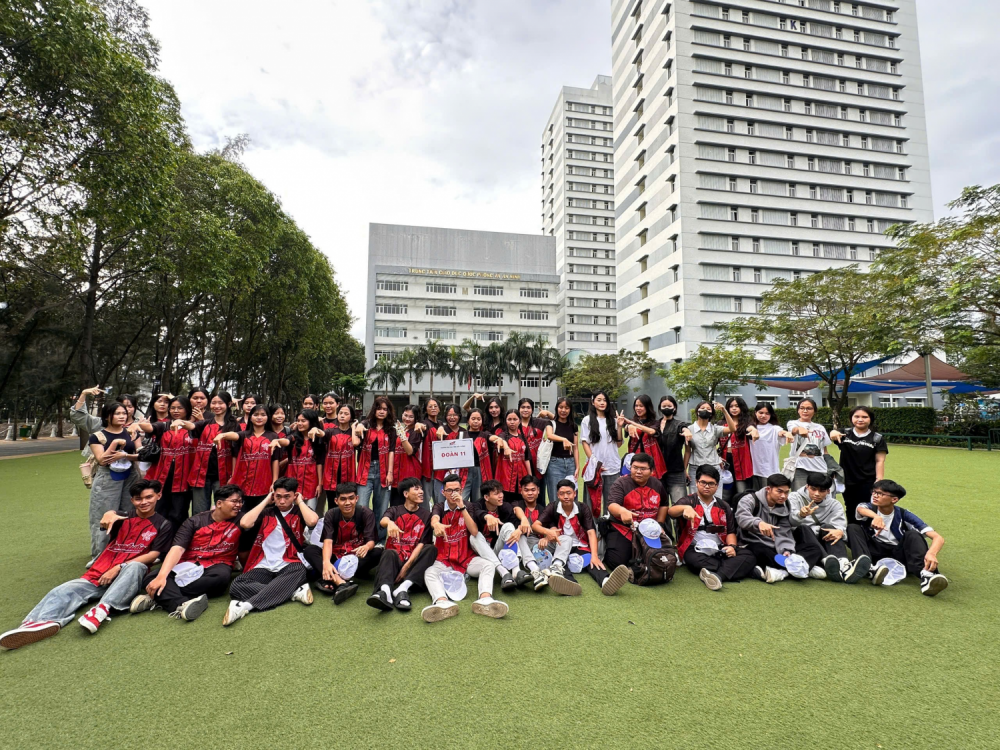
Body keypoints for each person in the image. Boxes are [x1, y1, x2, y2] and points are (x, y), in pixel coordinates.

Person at [0, 480, 173, 649]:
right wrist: (110, 513)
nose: (144, 502)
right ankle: (38, 623)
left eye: (148, 497)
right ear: (132, 500)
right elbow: (109, 517)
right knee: (62, 590)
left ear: (158, 495)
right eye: (138, 499)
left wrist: (118, 567)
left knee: (136, 567)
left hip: (127, 576)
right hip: (99, 573)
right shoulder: (121, 518)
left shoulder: (163, 524)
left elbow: (154, 555)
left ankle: (100, 611)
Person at [131, 484, 245, 621]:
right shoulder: (195, 521)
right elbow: (177, 548)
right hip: (189, 561)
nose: (238, 505)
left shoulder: (241, 519)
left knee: (221, 580)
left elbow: (254, 518)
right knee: (151, 578)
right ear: (219, 503)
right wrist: (161, 576)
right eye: (234, 501)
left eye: (240, 502)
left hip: (219, 563)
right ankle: (181, 604)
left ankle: (156, 597)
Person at [222, 478, 319, 625]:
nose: (282, 501)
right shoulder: (267, 512)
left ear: (294, 495)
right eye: (278, 496)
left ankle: (245, 606)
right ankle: (292, 591)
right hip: (264, 563)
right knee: (237, 585)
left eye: (287, 496)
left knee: (299, 571)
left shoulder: (299, 511)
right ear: (273, 495)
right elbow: (245, 523)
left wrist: (300, 502)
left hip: (289, 562)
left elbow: (312, 521)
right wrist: (266, 500)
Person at [421, 474, 508, 622]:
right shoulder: (439, 506)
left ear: (461, 491)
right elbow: (434, 519)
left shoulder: (468, 506)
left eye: (457, 490)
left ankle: (485, 599)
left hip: (466, 558)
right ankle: (442, 602)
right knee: (429, 572)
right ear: (443, 492)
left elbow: (474, 531)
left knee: (488, 565)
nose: (453, 494)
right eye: (449, 490)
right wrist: (436, 524)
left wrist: (462, 507)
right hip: (445, 560)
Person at [846, 480, 948, 596]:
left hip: (897, 553)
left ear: (894, 499)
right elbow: (860, 509)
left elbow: (937, 537)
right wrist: (876, 517)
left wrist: (932, 553)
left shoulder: (904, 514)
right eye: (874, 492)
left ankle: (927, 576)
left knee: (913, 535)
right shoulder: (869, 508)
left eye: (881, 494)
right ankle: (867, 567)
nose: (874, 495)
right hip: (873, 551)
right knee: (853, 528)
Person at [667, 465, 757, 591]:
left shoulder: (723, 506)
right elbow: (671, 511)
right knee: (695, 561)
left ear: (717, 485)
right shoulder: (689, 501)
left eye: (711, 483)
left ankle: (716, 575)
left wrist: (732, 547)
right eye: (703, 482)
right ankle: (739, 570)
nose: (707, 486)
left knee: (749, 555)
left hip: (719, 548)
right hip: (695, 549)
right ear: (697, 483)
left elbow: (731, 532)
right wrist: (685, 508)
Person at [534, 479, 627, 596]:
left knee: (592, 562)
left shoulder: (582, 508)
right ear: (557, 495)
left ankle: (605, 581)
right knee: (560, 564)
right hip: (561, 546)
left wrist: (595, 556)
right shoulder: (552, 507)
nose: (565, 496)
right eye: (562, 494)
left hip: (579, 545)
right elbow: (535, 526)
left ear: (575, 493)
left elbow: (591, 532)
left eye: (569, 493)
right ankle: (569, 584)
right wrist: (547, 532)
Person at [366, 478, 438, 612]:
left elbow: (422, 544)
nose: (421, 492)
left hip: (413, 565)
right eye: (416, 489)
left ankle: (402, 589)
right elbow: (383, 521)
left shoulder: (427, 515)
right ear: (406, 494)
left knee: (431, 549)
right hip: (394, 562)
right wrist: (390, 523)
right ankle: (385, 592)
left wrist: (406, 567)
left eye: (421, 488)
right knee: (387, 552)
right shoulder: (394, 510)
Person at [604, 453, 672, 587]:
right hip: (624, 528)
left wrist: (659, 524)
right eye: (635, 467)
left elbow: (664, 503)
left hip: (649, 531)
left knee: (664, 557)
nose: (638, 472)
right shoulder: (621, 483)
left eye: (643, 468)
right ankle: (637, 566)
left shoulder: (656, 484)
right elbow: (612, 505)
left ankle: (639, 565)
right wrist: (622, 511)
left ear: (652, 471)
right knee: (617, 562)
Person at [787, 472, 867, 582]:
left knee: (830, 527)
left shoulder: (834, 504)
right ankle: (827, 561)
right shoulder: (794, 497)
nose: (817, 494)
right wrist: (800, 515)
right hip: (803, 539)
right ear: (807, 486)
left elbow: (840, 526)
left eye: (822, 491)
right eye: (813, 489)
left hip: (823, 538)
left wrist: (840, 531)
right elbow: (790, 522)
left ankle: (843, 564)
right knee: (803, 528)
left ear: (828, 491)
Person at [311, 482, 381, 604]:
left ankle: (327, 579)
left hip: (357, 555)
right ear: (336, 501)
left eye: (351, 498)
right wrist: (326, 562)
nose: (347, 503)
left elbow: (371, 541)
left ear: (356, 499)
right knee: (310, 551)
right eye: (343, 499)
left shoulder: (366, 513)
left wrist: (366, 546)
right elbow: (327, 542)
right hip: (336, 556)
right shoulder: (331, 514)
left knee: (378, 552)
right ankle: (341, 583)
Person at [86, 402, 140, 559]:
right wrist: (115, 444)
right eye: (117, 413)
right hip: (107, 478)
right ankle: (100, 555)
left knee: (128, 513)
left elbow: (140, 454)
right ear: (107, 416)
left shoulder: (131, 433)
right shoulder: (98, 436)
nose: (122, 416)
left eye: (124, 413)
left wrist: (125, 455)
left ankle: (123, 551)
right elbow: (102, 460)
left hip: (130, 476)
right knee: (103, 515)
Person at [214, 404, 288, 514]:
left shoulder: (273, 437)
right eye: (256, 414)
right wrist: (222, 435)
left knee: (262, 516)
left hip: (264, 483)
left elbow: (275, 461)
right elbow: (234, 435)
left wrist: (274, 482)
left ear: (268, 417)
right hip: (243, 483)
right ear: (251, 417)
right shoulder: (244, 435)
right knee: (241, 516)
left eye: (263, 415)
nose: (259, 417)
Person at [138, 395, 195, 530]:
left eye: (180, 408)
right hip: (163, 475)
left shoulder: (194, 428)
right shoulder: (164, 426)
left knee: (178, 512)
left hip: (184, 477)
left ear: (187, 409)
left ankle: (177, 544)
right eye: (173, 408)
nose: (176, 411)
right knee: (160, 509)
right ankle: (160, 543)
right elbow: (150, 428)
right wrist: (142, 425)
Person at [470, 478, 537, 591]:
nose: (501, 496)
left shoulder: (505, 507)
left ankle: (516, 571)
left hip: (497, 550)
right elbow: (477, 512)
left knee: (509, 526)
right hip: (481, 553)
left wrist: (519, 529)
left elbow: (516, 524)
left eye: (501, 492)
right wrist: (487, 516)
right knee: (474, 536)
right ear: (486, 497)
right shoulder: (477, 505)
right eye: (496, 494)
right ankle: (504, 572)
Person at [735, 474, 804, 583]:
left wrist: (786, 549)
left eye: (786, 492)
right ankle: (794, 569)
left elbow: (783, 531)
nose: (783, 496)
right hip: (750, 542)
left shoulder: (785, 505)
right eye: (779, 491)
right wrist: (759, 523)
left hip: (773, 543)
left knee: (802, 540)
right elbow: (741, 518)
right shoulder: (750, 499)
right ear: (768, 489)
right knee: (763, 552)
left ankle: (787, 569)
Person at [830, 406, 889, 520]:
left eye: (864, 417)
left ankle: (867, 534)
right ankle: (853, 533)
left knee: (867, 508)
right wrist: (833, 432)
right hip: (847, 480)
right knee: (850, 507)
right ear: (851, 418)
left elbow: (880, 460)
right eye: (856, 416)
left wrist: (879, 480)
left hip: (868, 480)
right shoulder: (844, 434)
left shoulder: (877, 438)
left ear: (870, 419)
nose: (860, 419)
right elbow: (833, 434)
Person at [188, 392, 238, 514]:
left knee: (223, 510)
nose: (217, 406)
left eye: (220, 403)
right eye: (214, 403)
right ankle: (199, 532)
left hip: (223, 474)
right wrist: (181, 422)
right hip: (201, 474)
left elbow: (236, 453)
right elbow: (192, 426)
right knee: (199, 511)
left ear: (229, 404)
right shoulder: (205, 423)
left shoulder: (234, 425)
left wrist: (233, 474)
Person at [355, 397, 396, 536]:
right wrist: (358, 426)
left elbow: (391, 451)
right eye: (379, 408)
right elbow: (356, 438)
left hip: (383, 470)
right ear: (374, 409)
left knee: (382, 507)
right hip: (365, 470)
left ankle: (380, 539)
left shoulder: (391, 429)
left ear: (389, 412)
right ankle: (363, 536)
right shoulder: (366, 424)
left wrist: (390, 473)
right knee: (362, 506)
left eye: (385, 409)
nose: (381, 412)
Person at [579, 391, 622, 514]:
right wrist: (594, 462)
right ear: (593, 402)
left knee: (612, 503)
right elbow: (584, 442)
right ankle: (592, 531)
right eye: (599, 400)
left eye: (604, 400)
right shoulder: (587, 420)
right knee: (592, 504)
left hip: (612, 466)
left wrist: (619, 426)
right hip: (594, 468)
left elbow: (618, 444)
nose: (602, 402)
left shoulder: (613, 420)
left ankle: (608, 531)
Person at [685, 401, 738, 497]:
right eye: (703, 408)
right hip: (695, 467)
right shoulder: (689, 429)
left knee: (715, 497)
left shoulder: (715, 429)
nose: (705, 410)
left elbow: (732, 428)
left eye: (708, 409)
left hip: (714, 466)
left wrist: (724, 410)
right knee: (695, 496)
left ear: (711, 414)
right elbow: (688, 451)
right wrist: (684, 469)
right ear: (697, 411)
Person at [311, 404, 361, 500]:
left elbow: (355, 443)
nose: (342, 415)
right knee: (332, 504)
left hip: (348, 475)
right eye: (340, 413)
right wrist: (316, 429)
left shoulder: (354, 433)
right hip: (331, 475)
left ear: (351, 417)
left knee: (347, 503)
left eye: (346, 414)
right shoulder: (331, 431)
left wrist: (354, 427)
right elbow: (322, 434)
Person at [786, 398, 832, 491]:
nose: (805, 411)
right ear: (798, 410)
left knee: (819, 498)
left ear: (814, 411)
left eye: (809, 408)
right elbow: (794, 430)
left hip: (820, 468)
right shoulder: (793, 423)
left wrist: (832, 467)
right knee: (800, 498)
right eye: (802, 408)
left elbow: (824, 450)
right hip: (800, 469)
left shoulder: (820, 428)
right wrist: (799, 430)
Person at [718, 397, 759, 498]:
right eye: (731, 406)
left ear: (742, 408)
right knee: (725, 493)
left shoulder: (746, 423)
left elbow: (751, 428)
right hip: (725, 459)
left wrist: (754, 431)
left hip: (742, 461)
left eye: (737, 406)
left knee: (742, 491)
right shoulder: (720, 424)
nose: (734, 409)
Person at [619, 395, 667, 480]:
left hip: (651, 458)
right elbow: (625, 428)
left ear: (647, 407)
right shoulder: (632, 422)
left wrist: (632, 424)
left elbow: (652, 431)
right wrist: (628, 426)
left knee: (652, 483)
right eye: (636, 406)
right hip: (635, 456)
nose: (638, 408)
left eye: (641, 406)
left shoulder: (655, 422)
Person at [286, 409, 325, 513]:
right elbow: (286, 441)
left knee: (310, 513)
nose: (300, 423)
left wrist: (320, 484)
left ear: (311, 421)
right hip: (293, 482)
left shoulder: (318, 441)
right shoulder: (293, 438)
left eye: (303, 421)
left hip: (311, 483)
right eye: (298, 420)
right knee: (293, 514)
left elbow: (319, 463)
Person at [517, 398, 555, 504]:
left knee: (539, 496)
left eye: (528, 407)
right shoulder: (514, 424)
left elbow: (558, 421)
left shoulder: (540, 423)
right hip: (521, 466)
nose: (525, 410)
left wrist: (547, 413)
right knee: (523, 495)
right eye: (523, 407)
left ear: (532, 409)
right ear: (519, 409)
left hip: (539, 466)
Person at [542, 397, 579, 504]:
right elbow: (549, 435)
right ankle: (556, 519)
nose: (563, 410)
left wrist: (577, 467)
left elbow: (575, 448)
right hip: (554, 464)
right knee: (555, 496)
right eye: (561, 407)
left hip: (570, 463)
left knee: (572, 495)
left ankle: (572, 520)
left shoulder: (573, 426)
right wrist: (564, 439)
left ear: (570, 410)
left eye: (566, 408)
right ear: (557, 408)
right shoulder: (551, 423)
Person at [656, 396, 691, 503]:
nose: (667, 408)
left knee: (679, 504)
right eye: (664, 406)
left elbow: (683, 429)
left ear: (674, 408)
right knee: (660, 505)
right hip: (657, 472)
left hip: (676, 472)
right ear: (660, 408)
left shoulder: (679, 424)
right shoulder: (655, 425)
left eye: (669, 406)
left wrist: (687, 431)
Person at [492, 409, 531, 504]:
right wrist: (506, 447)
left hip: (522, 476)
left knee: (521, 503)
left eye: (515, 419)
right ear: (505, 421)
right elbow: (499, 442)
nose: (512, 422)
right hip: (506, 477)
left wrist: (530, 477)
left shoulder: (523, 437)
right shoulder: (502, 436)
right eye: (509, 419)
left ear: (520, 421)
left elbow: (526, 458)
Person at [390, 405, 425, 507]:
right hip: (397, 474)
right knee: (395, 505)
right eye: (405, 415)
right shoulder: (402, 429)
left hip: (410, 473)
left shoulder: (416, 431)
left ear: (416, 418)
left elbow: (410, 451)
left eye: (411, 417)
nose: (407, 419)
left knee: (409, 504)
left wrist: (401, 435)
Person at [749, 403, 788, 490]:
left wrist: (786, 433)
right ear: (755, 413)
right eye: (761, 412)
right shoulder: (750, 428)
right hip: (752, 470)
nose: (764, 416)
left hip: (769, 470)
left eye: (767, 413)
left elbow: (781, 432)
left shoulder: (774, 428)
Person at [418, 398, 442, 504]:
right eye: (430, 406)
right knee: (426, 499)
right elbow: (422, 427)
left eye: (435, 406)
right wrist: (418, 425)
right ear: (425, 409)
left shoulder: (441, 424)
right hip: (427, 467)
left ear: (439, 409)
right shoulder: (424, 423)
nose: (433, 408)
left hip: (440, 468)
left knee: (439, 498)